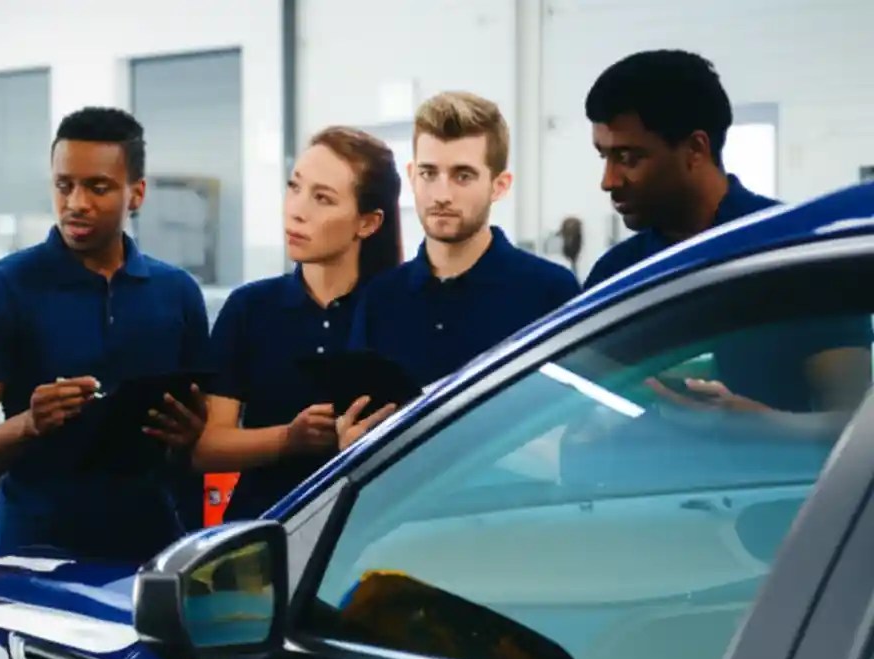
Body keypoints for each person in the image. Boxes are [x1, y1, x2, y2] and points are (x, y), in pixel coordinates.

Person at [0, 107, 210, 561]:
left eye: (97, 187)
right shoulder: (1, 289)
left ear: (136, 194)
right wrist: (29, 424)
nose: (76, 202)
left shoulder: (177, 293)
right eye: (64, 185)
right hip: (33, 557)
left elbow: (198, 449)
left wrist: (189, 436)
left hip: (148, 554)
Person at [582, 50, 871, 414]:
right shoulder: (615, 276)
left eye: (628, 158)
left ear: (695, 149)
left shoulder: (798, 259)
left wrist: (750, 426)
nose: (608, 181)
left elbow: (850, 425)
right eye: (603, 157)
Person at [340, 91, 580, 446]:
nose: (441, 194)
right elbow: (357, 419)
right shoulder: (379, 300)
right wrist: (350, 442)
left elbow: (578, 422)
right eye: (429, 173)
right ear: (412, 176)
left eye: (463, 176)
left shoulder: (550, 292)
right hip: (405, 500)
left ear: (499, 186)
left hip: (519, 500)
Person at [193, 127, 402, 520]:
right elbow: (206, 446)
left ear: (368, 223)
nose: (297, 209)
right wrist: (288, 439)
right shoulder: (250, 307)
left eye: (322, 198)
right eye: (295, 188)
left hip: (364, 532)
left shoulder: (397, 311)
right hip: (261, 533)